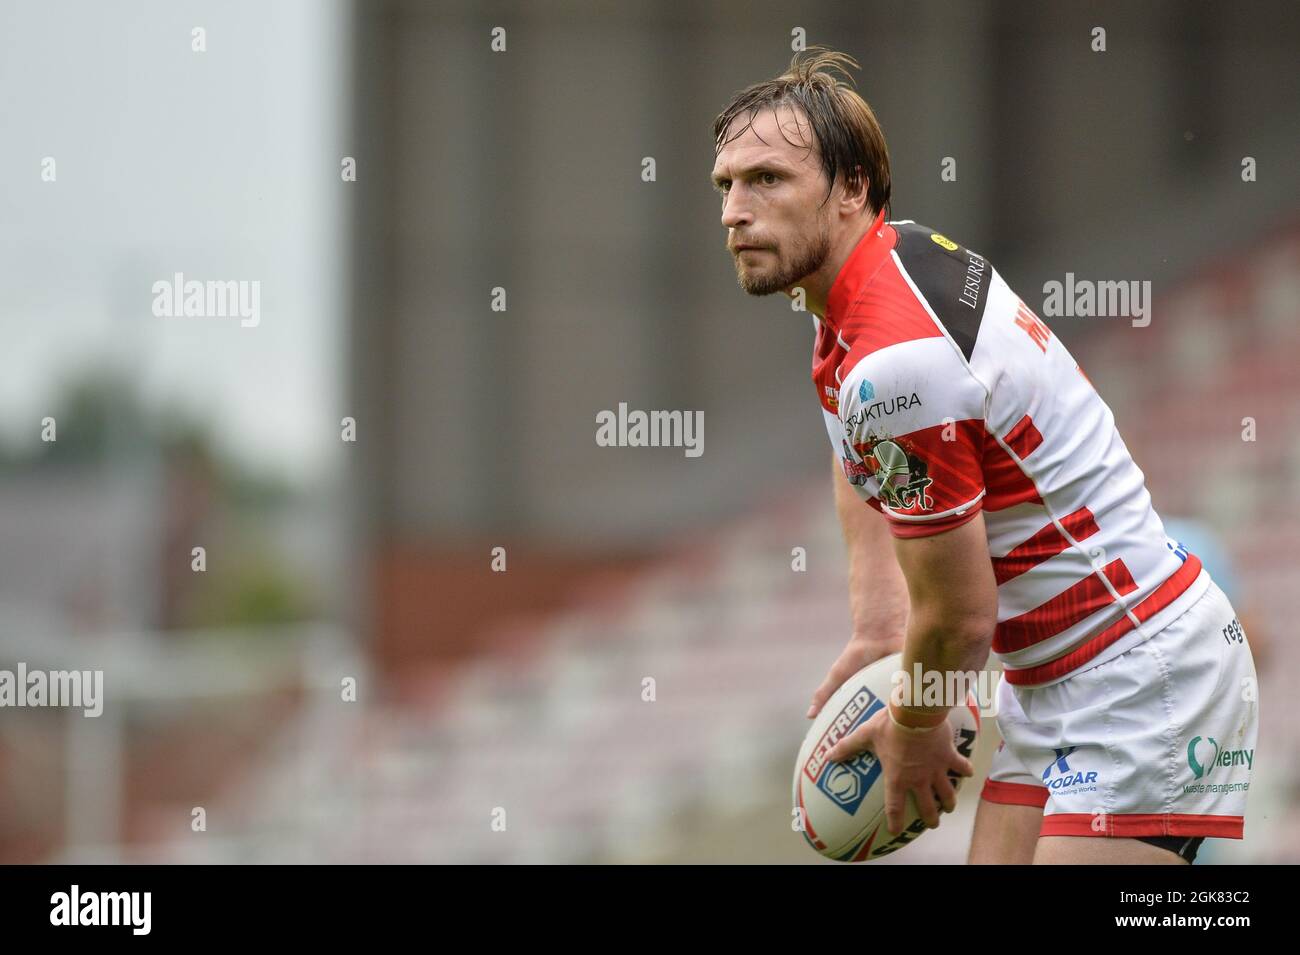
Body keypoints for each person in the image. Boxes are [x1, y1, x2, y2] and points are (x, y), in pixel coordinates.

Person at [710, 48, 1259, 864]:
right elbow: (863, 456)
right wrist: (878, 625)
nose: (734, 212)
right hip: (1061, 682)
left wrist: (912, 728)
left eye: (767, 181)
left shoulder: (896, 357)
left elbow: (962, 619)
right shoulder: (880, 278)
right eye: (725, 185)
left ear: (852, 188)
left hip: (1140, 674)